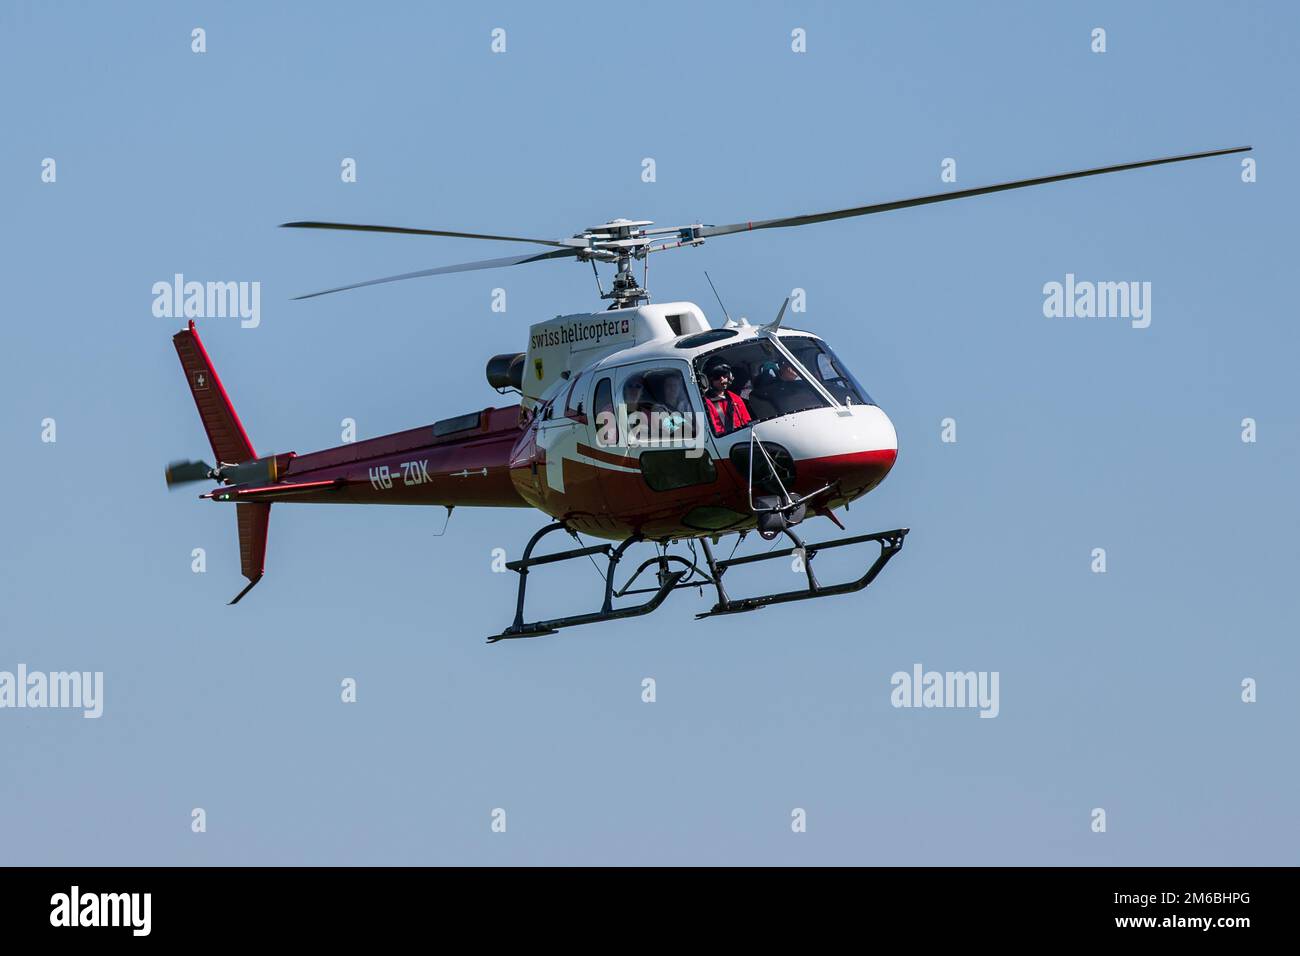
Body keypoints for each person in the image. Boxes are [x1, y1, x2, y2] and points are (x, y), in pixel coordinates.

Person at [701, 358, 752, 436]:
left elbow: (748, 422)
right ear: (708, 380)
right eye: (717, 376)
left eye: (725, 374)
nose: (722, 379)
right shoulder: (706, 403)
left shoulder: (735, 398)